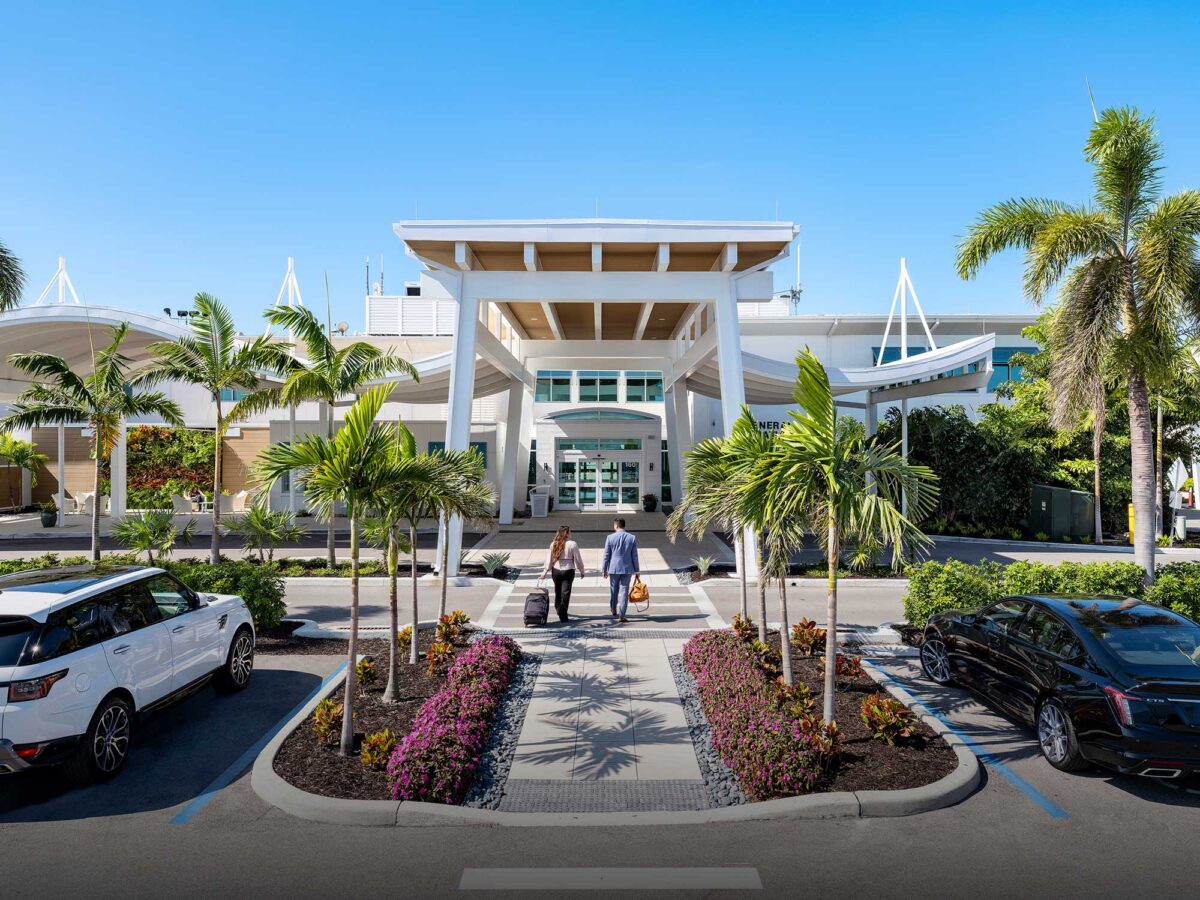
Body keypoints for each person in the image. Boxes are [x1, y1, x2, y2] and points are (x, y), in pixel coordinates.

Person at [540, 524, 585, 622]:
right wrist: (582, 570)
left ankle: (558, 608)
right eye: (570, 532)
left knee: (558, 591)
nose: (571, 533)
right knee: (566, 593)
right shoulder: (573, 544)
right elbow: (578, 559)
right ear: (567, 533)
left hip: (556, 570)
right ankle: (562, 614)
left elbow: (549, 559)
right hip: (568, 570)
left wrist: (544, 572)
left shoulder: (554, 544)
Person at [602, 517, 640, 623]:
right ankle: (622, 614)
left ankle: (613, 608)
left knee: (614, 590)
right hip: (627, 569)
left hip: (613, 568)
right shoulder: (632, 538)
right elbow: (635, 556)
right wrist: (637, 570)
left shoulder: (610, 537)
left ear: (617, 526)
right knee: (624, 591)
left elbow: (606, 555)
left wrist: (604, 569)